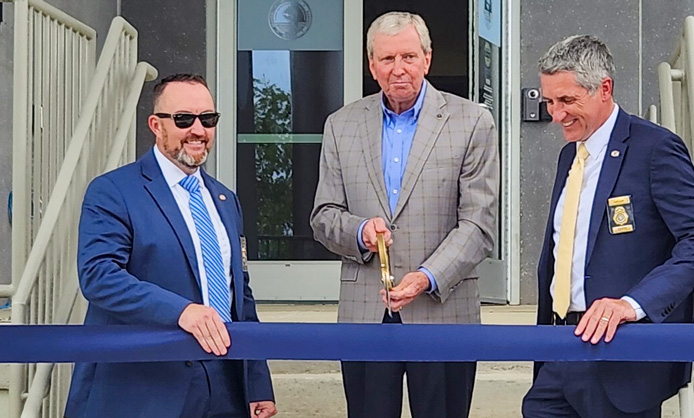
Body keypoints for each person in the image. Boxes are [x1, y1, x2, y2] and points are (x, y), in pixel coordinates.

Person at [522, 35, 694, 417]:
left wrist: (632, 305)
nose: (556, 114)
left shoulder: (655, 148)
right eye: (549, 101)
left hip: (620, 357)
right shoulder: (570, 155)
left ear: (604, 89)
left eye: (567, 100)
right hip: (559, 349)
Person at [310, 11, 498, 418]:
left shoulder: (472, 121)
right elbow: (324, 215)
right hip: (365, 311)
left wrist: (427, 276)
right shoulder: (341, 125)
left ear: (427, 59)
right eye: (388, 58)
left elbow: (479, 224)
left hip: (444, 309)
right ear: (371, 64)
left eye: (409, 57)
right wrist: (359, 231)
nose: (399, 69)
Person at [65, 74, 277, 418]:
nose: (198, 130)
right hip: (145, 388)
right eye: (183, 119)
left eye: (208, 119)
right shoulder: (114, 191)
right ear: (156, 125)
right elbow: (99, 276)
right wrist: (182, 311)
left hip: (225, 384)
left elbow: (240, 293)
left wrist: (257, 383)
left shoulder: (225, 200)